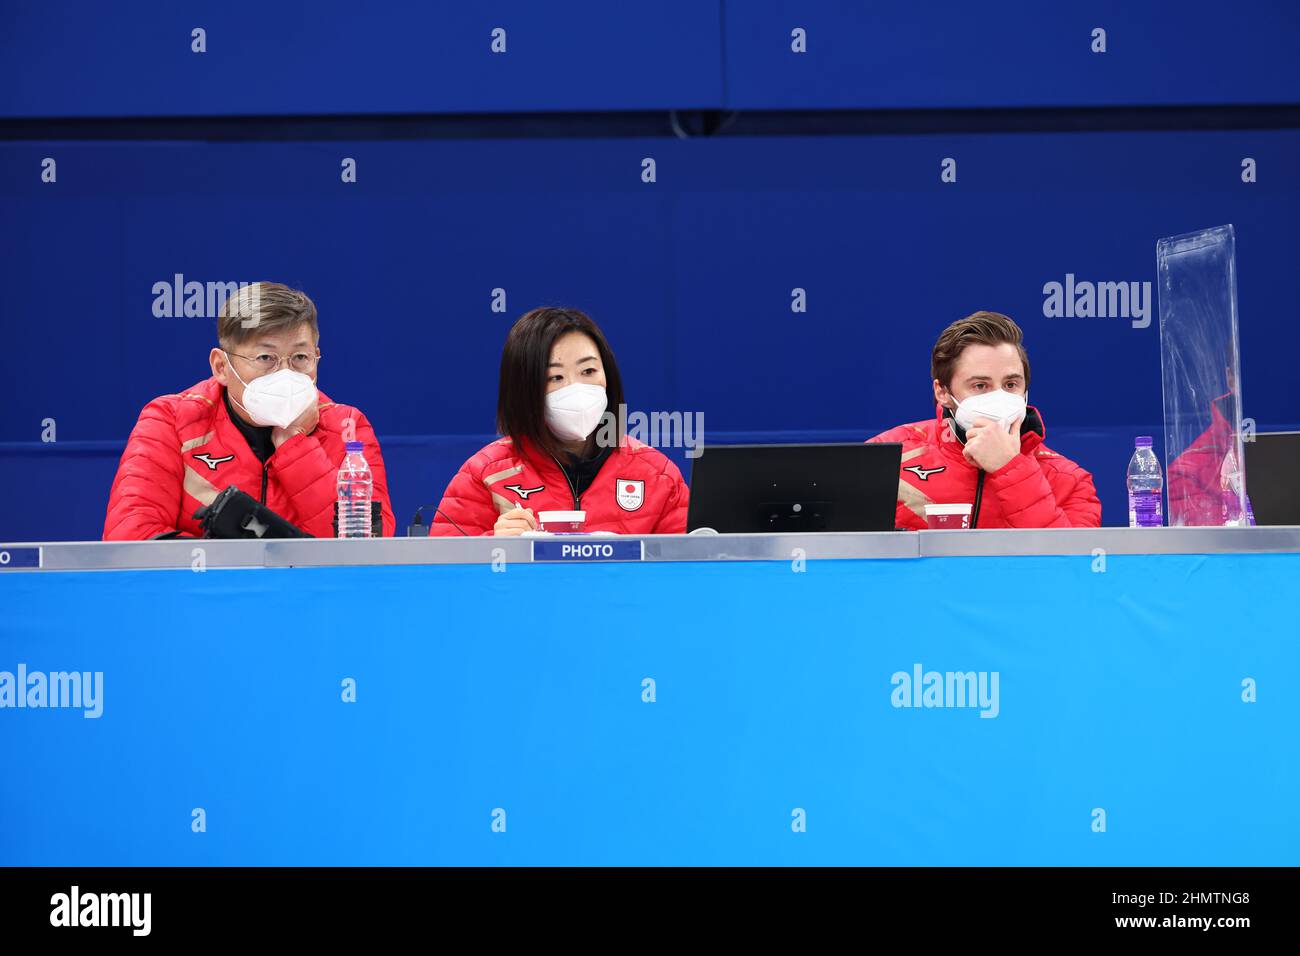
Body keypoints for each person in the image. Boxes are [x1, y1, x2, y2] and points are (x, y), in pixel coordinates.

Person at [103, 282, 395, 539]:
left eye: (300, 357)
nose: (285, 372)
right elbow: (131, 538)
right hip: (206, 597)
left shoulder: (347, 426)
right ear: (221, 366)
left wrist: (295, 446)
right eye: (266, 357)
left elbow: (367, 544)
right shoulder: (171, 420)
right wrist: (233, 563)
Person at [430, 307, 688, 536]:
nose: (576, 388)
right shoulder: (484, 475)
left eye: (588, 371)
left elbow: (690, 573)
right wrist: (494, 548)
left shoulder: (658, 475)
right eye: (555, 377)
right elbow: (443, 578)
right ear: (523, 389)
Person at [868, 311, 1100, 529]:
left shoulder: (1069, 480)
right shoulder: (887, 457)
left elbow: (1072, 566)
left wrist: (1011, 468)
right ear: (942, 392)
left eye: (1011, 385)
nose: (998, 397)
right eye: (980, 385)